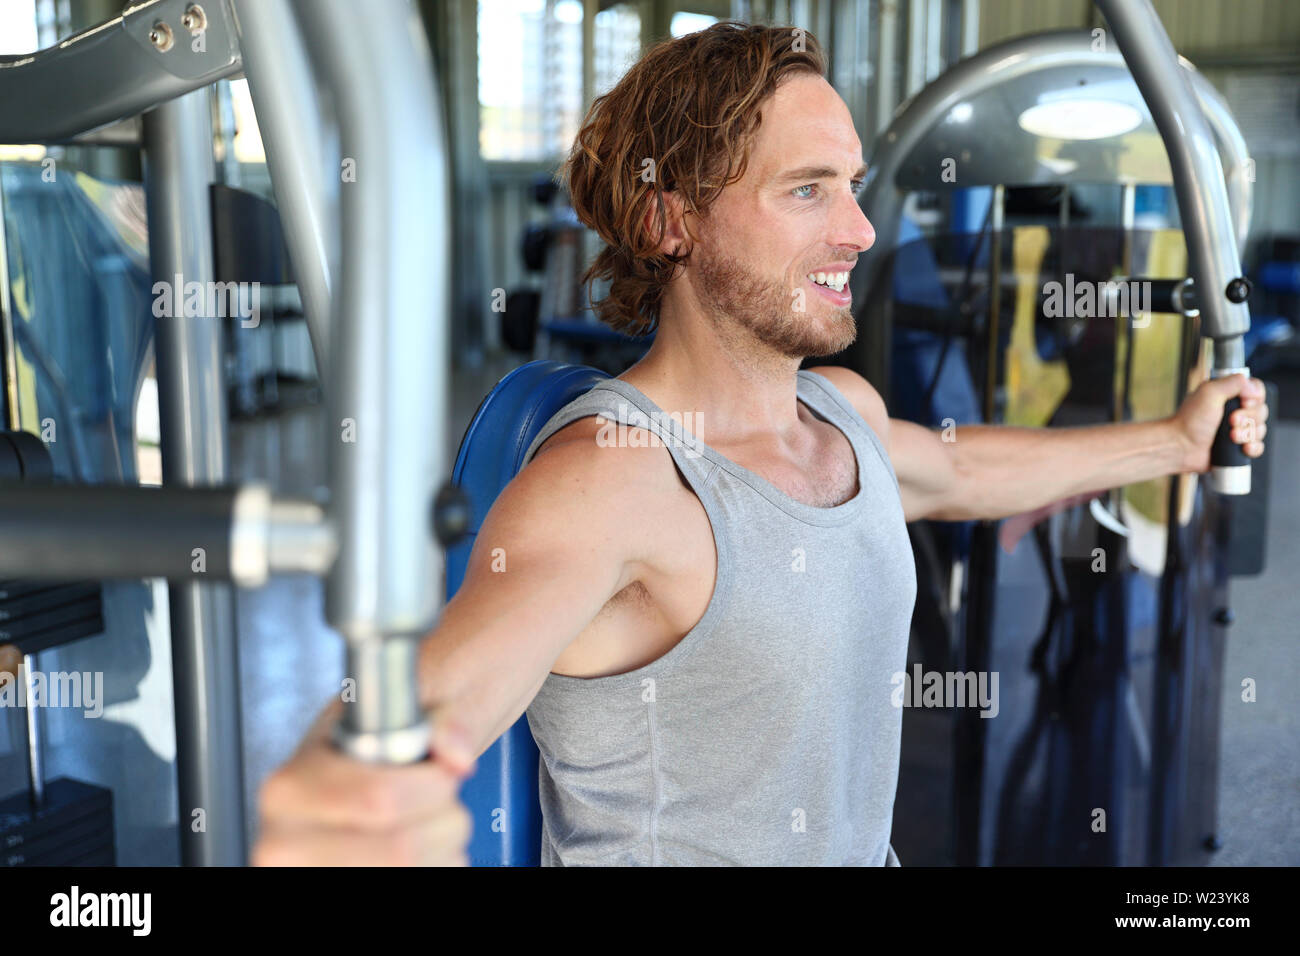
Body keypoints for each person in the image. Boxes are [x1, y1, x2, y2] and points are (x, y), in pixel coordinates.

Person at [254, 21, 1269, 867]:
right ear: (669, 220)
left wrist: (1177, 443)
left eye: (853, 183)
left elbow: (957, 471)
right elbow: (433, 698)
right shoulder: (614, 481)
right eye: (805, 190)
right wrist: (344, 787)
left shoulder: (842, 410)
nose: (861, 229)